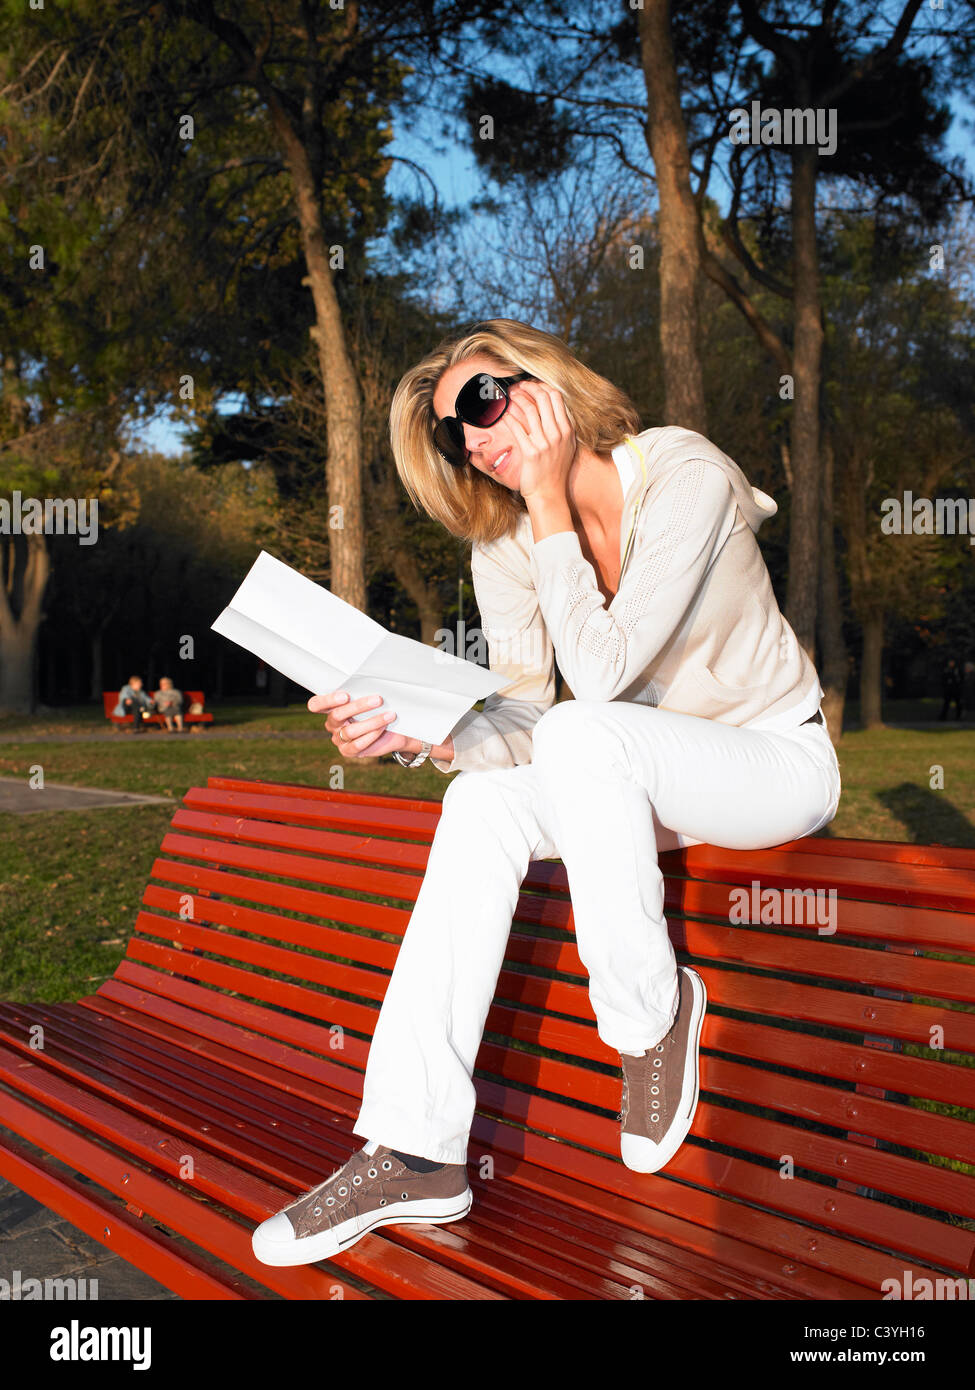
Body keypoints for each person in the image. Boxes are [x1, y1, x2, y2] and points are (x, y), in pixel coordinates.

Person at [251, 318, 842, 1268]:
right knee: (477, 806)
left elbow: (599, 684)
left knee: (584, 727)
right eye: (453, 432)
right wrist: (423, 733)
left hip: (773, 762)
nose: (475, 435)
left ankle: (649, 1023)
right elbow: (528, 727)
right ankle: (414, 1149)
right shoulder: (508, 546)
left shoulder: (683, 472)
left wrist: (552, 504)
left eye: (484, 400)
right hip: (634, 778)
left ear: (550, 381)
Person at [938, 656, 964, 721]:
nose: (951, 663)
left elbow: (961, 679)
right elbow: (943, 679)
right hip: (948, 690)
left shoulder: (957, 670)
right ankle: (943, 717)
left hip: (956, 690)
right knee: (946, 704)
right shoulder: (946, 669)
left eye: (952, 662)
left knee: (958, 704)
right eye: (950, 662)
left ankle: (959, 716)